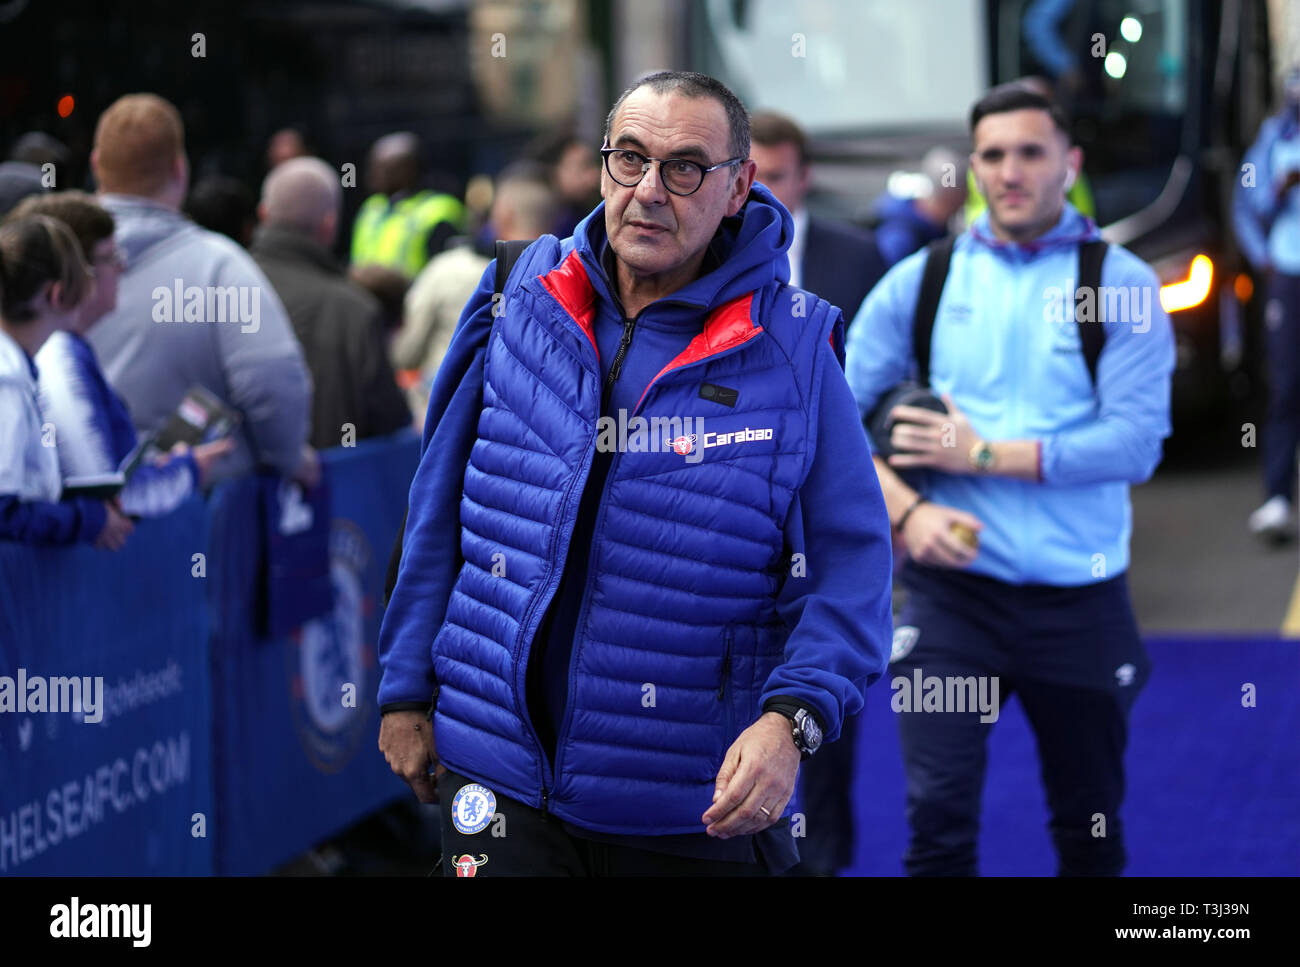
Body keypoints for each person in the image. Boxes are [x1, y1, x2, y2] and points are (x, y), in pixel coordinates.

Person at [377, 70, 893, 876]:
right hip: (498, 778)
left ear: (738, 188)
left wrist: (792, 720)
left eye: (685, 167)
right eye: (629, 158)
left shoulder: (794, 347)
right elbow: (435, 510)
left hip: (685, 804)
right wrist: (406, 686)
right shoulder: (516, 292)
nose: (650, 190)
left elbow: (852, 566)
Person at [846, 82, 1174, 876]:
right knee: (938, 819)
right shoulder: (921, 281)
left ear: (1070, 162)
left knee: (1088, 823)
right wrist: (909, 509)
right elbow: (836, 429)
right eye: (993, 154)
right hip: (953, 602)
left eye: (1032, 151)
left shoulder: (1121, 283)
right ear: (975, 166)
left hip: (1083, 600)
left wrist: (982, 452)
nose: (1011, 170)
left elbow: (1135, 445)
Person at [84, 93, 315, 486]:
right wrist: (288, 459)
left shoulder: (54, 265)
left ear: (96, 165)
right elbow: (273, 381)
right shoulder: (220, 266)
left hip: (78, 526)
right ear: (179, 168)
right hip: (206, 520)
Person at [12, 192, 231, 516]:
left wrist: (163, 467)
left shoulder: (64, 348)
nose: (122, 266)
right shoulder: (58, 356)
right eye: (110, 256)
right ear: (77, 270)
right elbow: (104, 497)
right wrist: (188, 470)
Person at [250, 157, 411, 450]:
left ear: (263, 214)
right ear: (329, 223)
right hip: (334, 489)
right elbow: (391, 421)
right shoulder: (355, 312)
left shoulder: (219, 293)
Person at [0, 214, 133, 548]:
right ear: (58, 295)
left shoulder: (15, 370)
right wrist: (88, 519)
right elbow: (3, 513)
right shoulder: (7, 382)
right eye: (84, 276)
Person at [393, 168, 559, 421]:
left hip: (452, 422)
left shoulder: (447, 270)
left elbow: (406, 353)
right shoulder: (572, 283)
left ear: (503, 216)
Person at [1234, 65, 1300, 542]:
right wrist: (1263, 258)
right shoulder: (1273, 138)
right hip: (1289, 275)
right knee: (1285, 386)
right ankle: (1277, 496)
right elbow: (1247, 205)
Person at [750, 111, 886, 328]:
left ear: (804, 177)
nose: (760, 189)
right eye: (752, 176)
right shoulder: (712, 252)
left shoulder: (859, 256)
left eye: (775, 177)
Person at [350, 133, 467, 279]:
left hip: (416, 299)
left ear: (406, 171)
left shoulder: (438, 210)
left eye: (381, 168)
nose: (371, 175)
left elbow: (446, 274)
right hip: (364, 298)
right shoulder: (371, 208)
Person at [871, 147, 968, 268]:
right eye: (962, 195)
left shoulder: (940, 229)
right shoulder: (901, 236)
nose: (964, 203)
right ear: (951, 197)